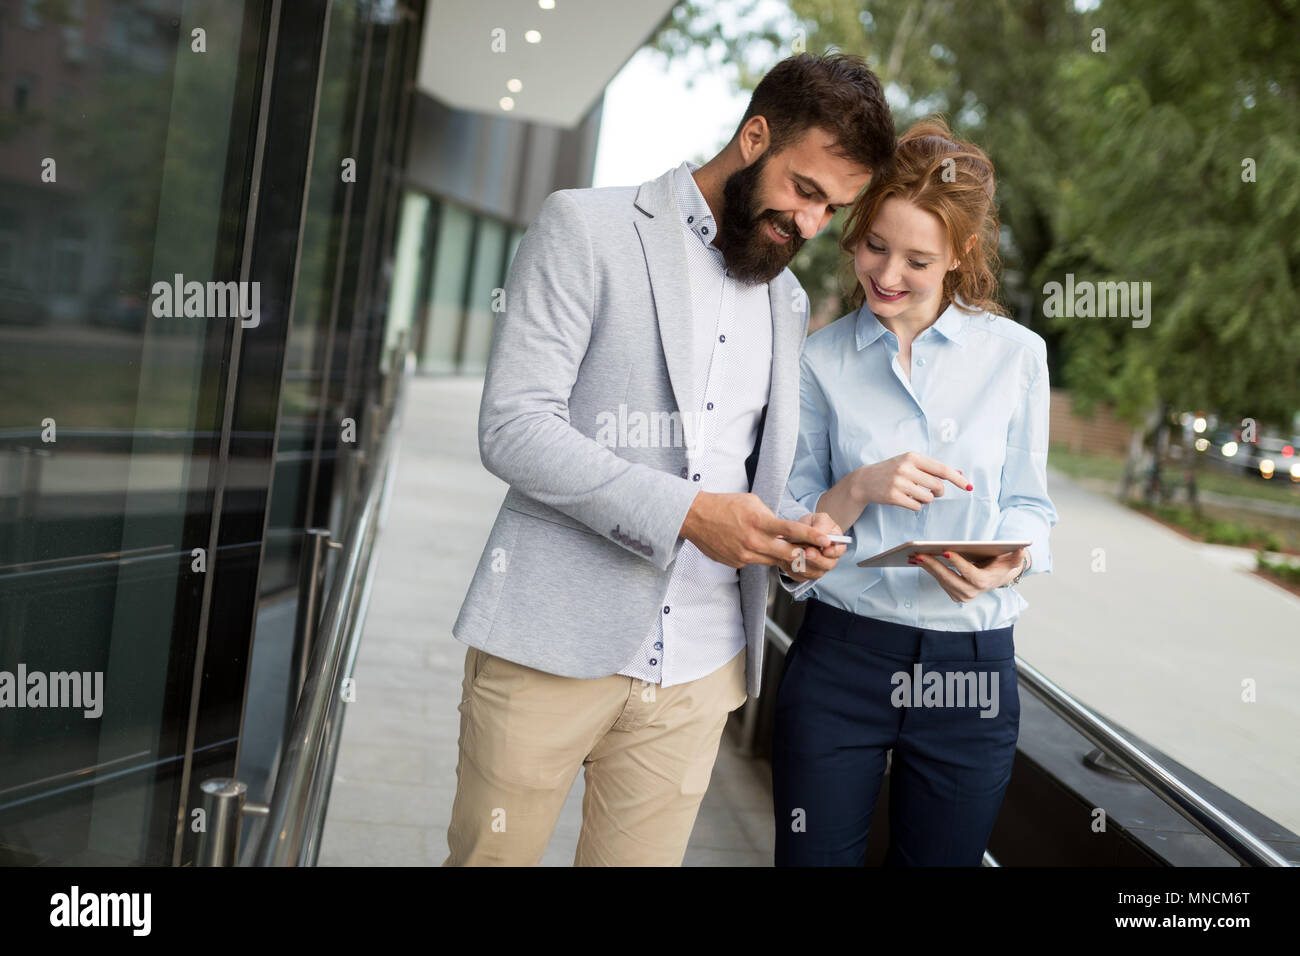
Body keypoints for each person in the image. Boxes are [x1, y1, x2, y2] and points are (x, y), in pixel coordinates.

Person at [444, 53, 895, 866]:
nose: (812, 225)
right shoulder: (586, 227)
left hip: (699, 669)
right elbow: (513, 426)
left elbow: (751, 472)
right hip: (549, 644)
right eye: (804, 190)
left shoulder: (789, 301)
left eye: (835, 208)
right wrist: (688, 516)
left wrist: (794, 539)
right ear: (755, 137)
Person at [772, 118, 1058, 866]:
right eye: (875, 245)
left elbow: (1031, 504)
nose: (887, 275)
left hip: (971, 671)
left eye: (918, 259)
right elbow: (794, 541)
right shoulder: (819, 361)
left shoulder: (1017, 358)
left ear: (960, 255)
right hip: (842, 660)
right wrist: (861, 486)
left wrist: (1014, 561)